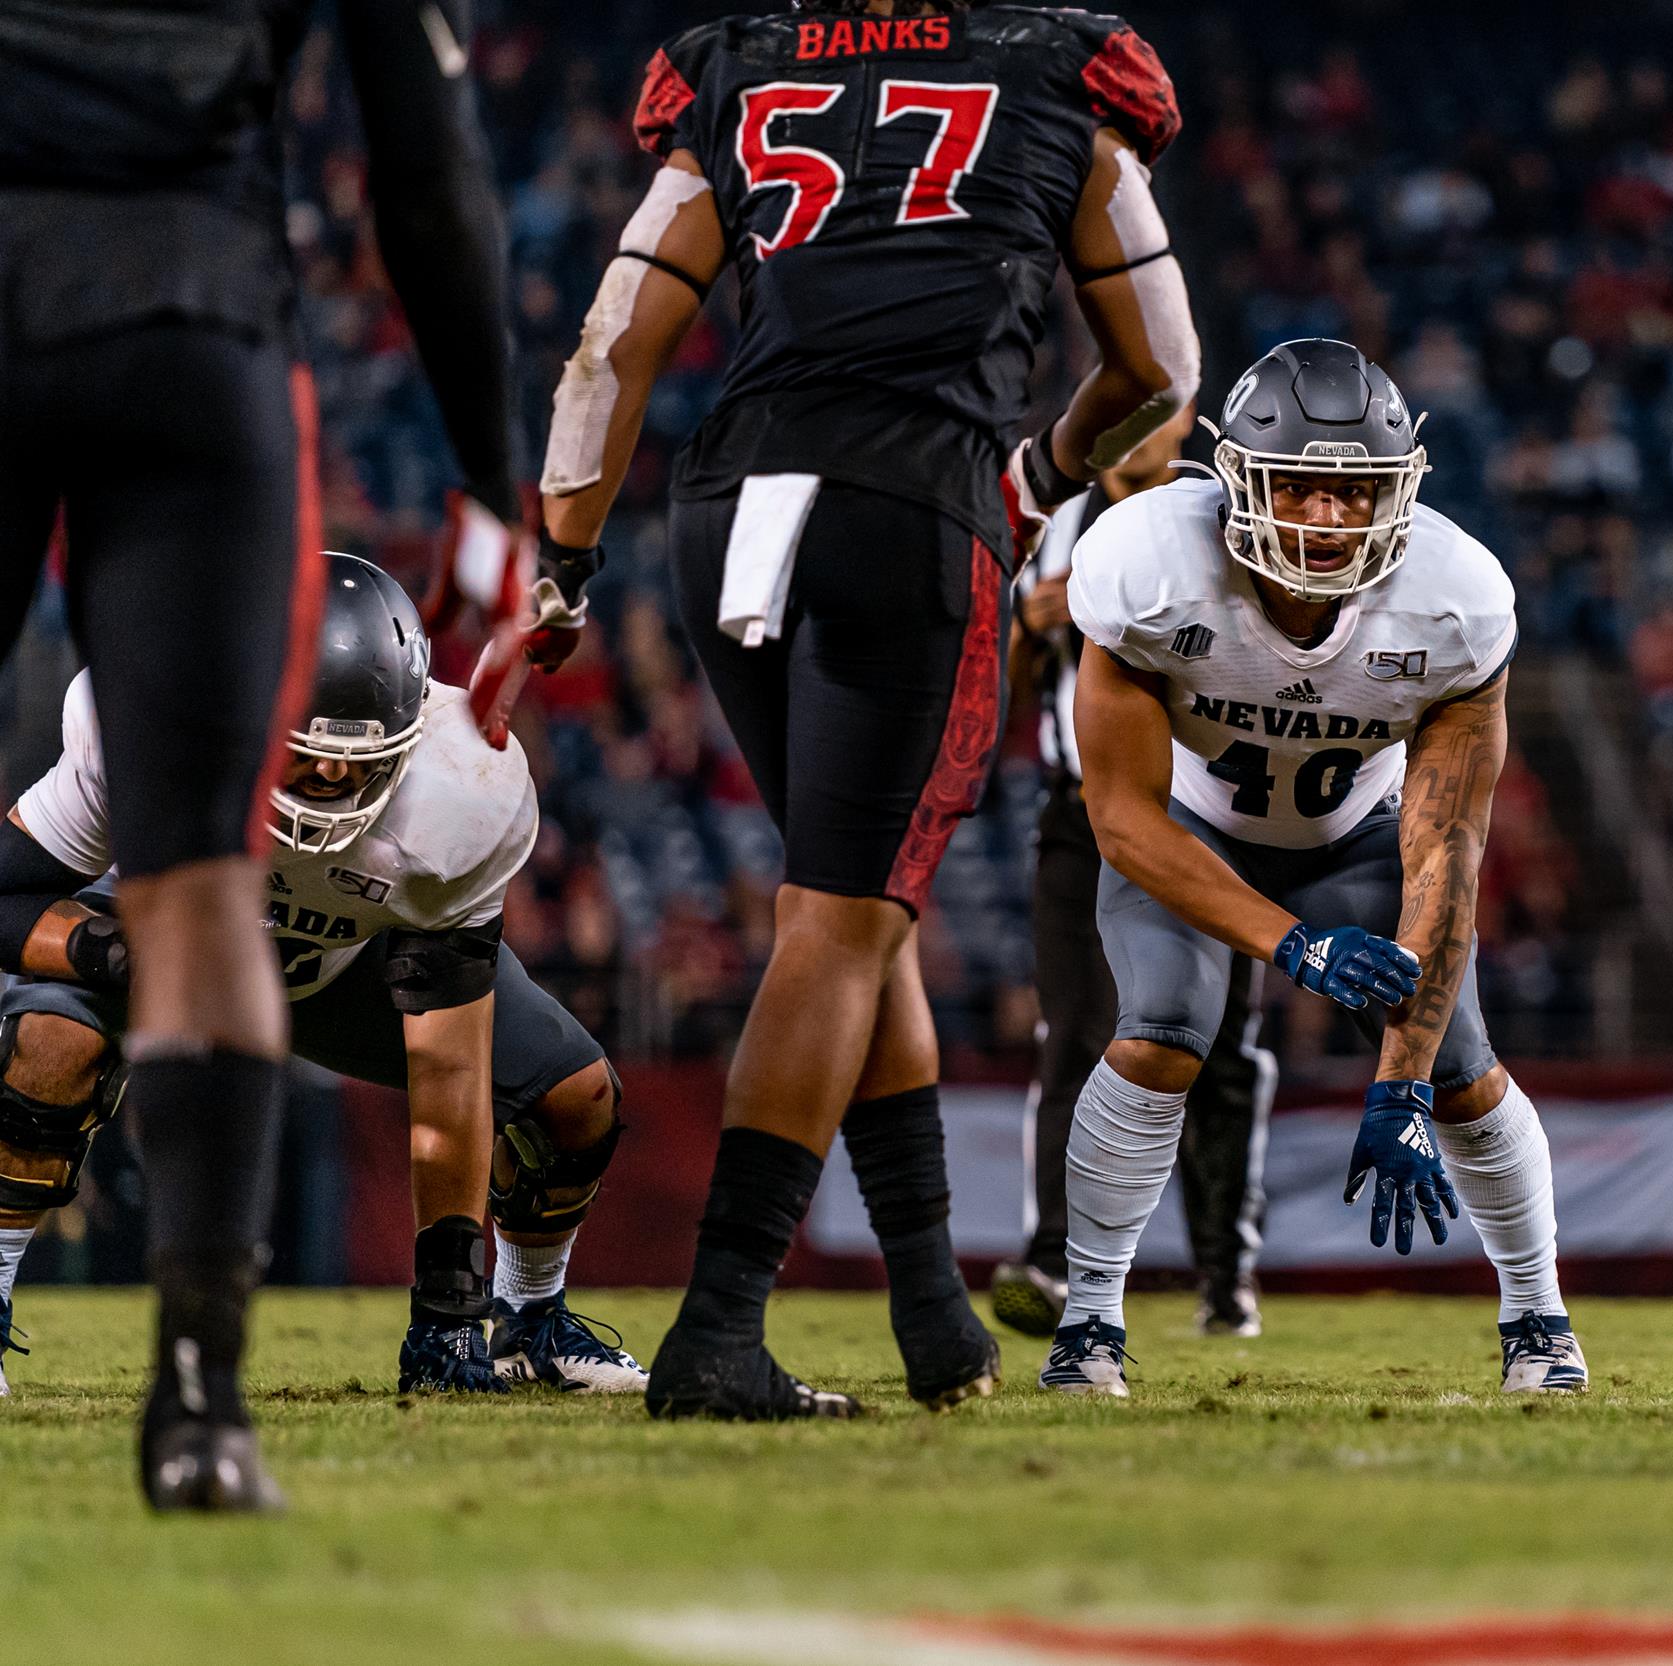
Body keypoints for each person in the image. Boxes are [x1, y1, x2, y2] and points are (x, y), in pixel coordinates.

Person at [535, 0, 1199, 1419]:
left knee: (851, 899)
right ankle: (719, 1324)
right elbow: (1164, 373)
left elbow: (609, 348)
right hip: (908, 502)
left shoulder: (741, 61)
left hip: (730, 505)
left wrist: (563, 554)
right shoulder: (1058, 76)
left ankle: (928, 1305)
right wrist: (1039, 472)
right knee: (844, 920)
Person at [0, 0, 526, 1508]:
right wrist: (490, 478)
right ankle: (198, 1412)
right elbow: (422, 162)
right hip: (192, 313)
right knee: (200, 879)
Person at [1045, 339, 1585, 1398]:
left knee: (1462, 1071)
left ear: (1399, 490)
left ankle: (1539, 1317)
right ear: (1236, 480)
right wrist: (1291, 945)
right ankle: (1089, 1320)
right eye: (1296, 484)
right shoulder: (1147, 566)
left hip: (1359, 842)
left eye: (1353, 491)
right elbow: (1118, 820)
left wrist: (1398, 1087)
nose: (1324, 520)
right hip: (1192, 834)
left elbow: (1446, 845)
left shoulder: (1455, 600)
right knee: (1159, 1033)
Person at [0, 555, 638, 1402]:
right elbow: (9, 896)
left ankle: (530, 1319)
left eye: (358, 758)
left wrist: (449, 1310)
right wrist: (123, 961)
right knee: (49, 1041)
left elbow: (450, 1071)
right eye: (309, 753)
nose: (333, 778)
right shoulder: (148, 708)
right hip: (180, 935)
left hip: (351, 964)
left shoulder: (464, 793)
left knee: (579, 1100)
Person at [992, 413, 1276, 1341]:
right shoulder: (1054, 520)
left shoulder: (1221, 513)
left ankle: (1227, 1273)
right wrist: (1033, 629)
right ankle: (1054, 1258)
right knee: (1073, 1029)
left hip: (1210, 812)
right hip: (1083, 811)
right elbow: (1003, 691)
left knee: (1221, 1050)